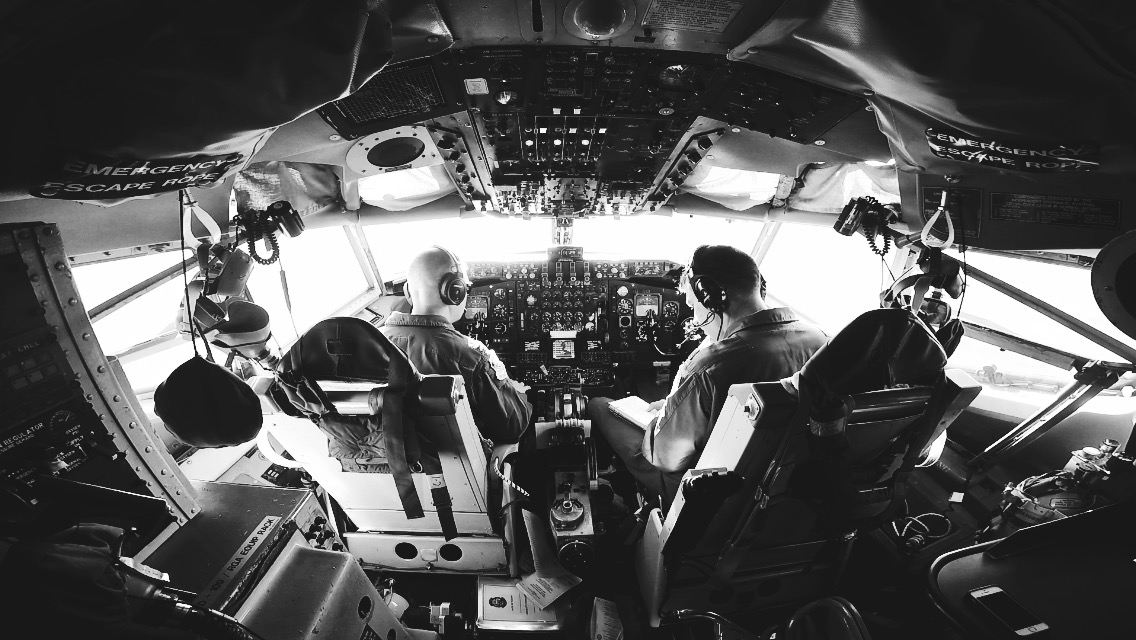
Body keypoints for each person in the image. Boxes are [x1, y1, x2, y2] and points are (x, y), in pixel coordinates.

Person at [589, 245, 827, 508]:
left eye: (694, 306)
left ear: (711, 297)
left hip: (711, 492)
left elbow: (666, 458)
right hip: (786, 484)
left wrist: (664, 417)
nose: (694, 318)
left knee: (600, 405)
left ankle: (615, 485)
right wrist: (675, 405)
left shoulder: (710, 366)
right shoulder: (820, 341)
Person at [381, 246, 531, 445]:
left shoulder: (371, 344)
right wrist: (517, 393)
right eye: (465, 288)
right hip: (458, 462)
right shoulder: (470, 356)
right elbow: (513, 428)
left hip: (388, 461)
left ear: (408, 291)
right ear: (456, 292)